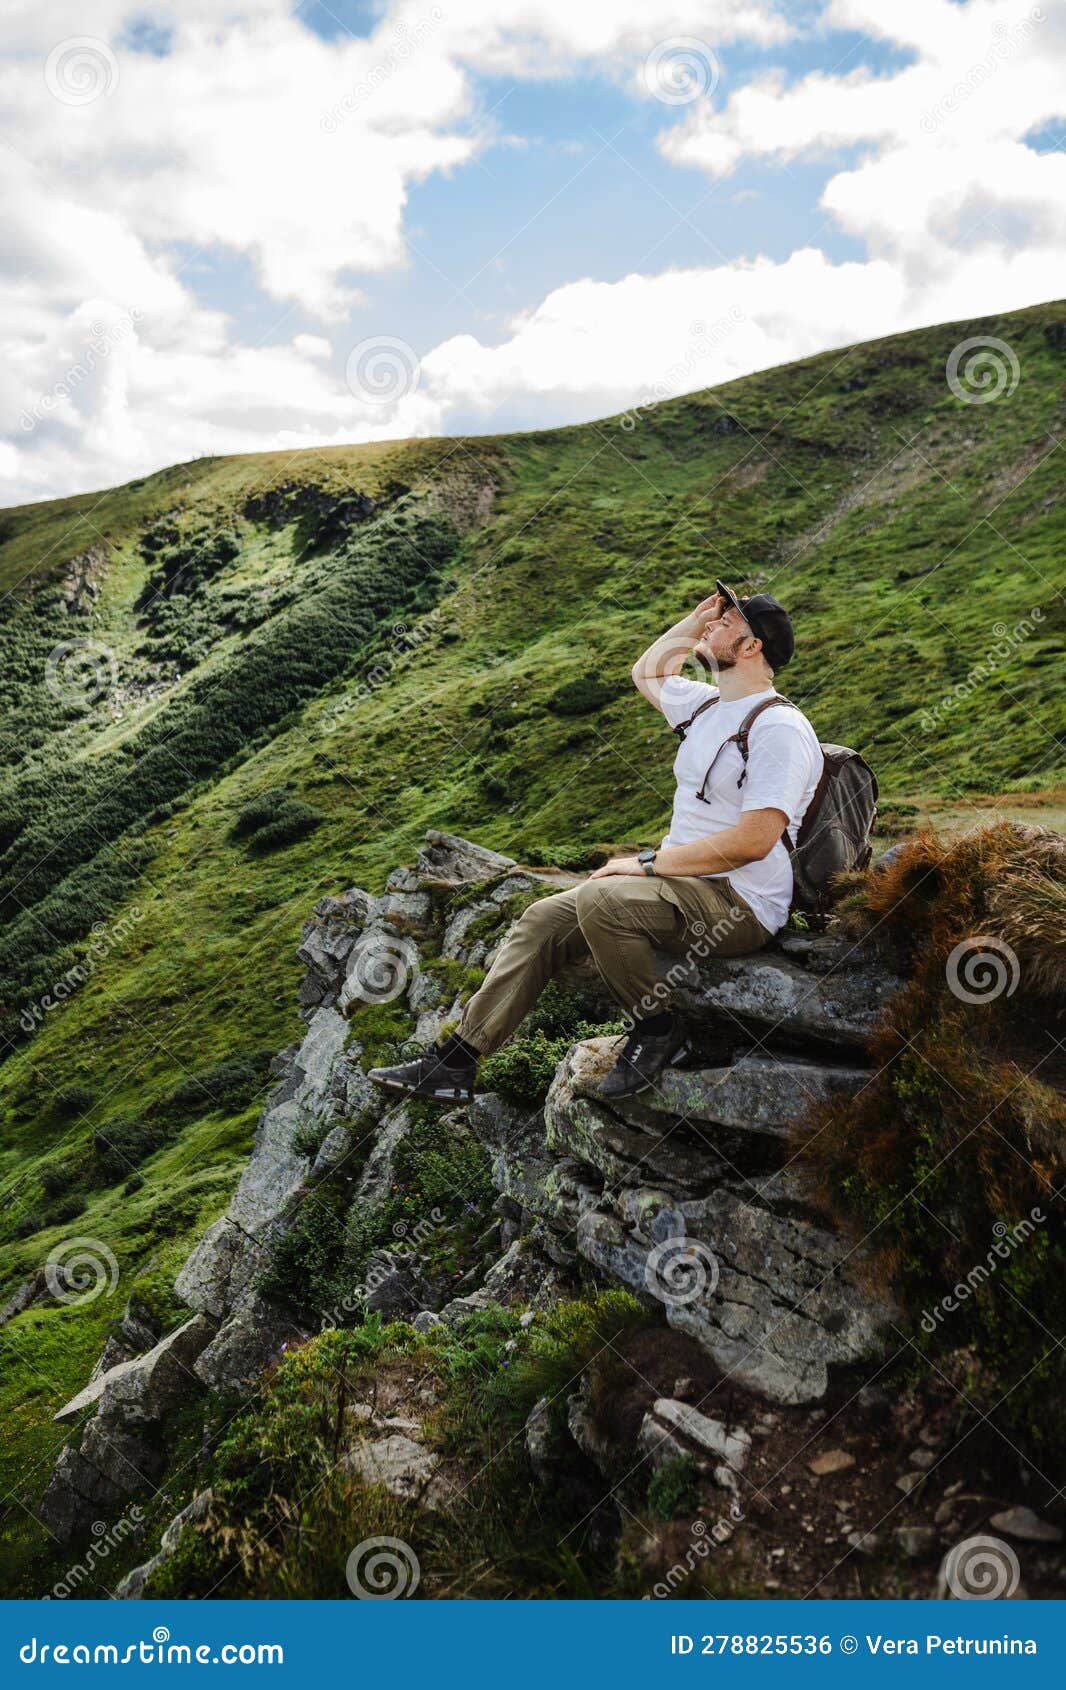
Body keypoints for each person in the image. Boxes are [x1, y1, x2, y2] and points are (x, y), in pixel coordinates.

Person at [368, 581, 823, 1103]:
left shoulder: (779, 728)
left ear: (750, 648)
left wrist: (647, 864)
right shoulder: (705, 706)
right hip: (684, 885)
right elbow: (649, 672)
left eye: (728, 622)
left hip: (738, 902)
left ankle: (656, 1030)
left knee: (602, 900)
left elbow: (755, 840)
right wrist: (696, 623)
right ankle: (455, 1063)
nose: (715, 622)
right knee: (542, 918)